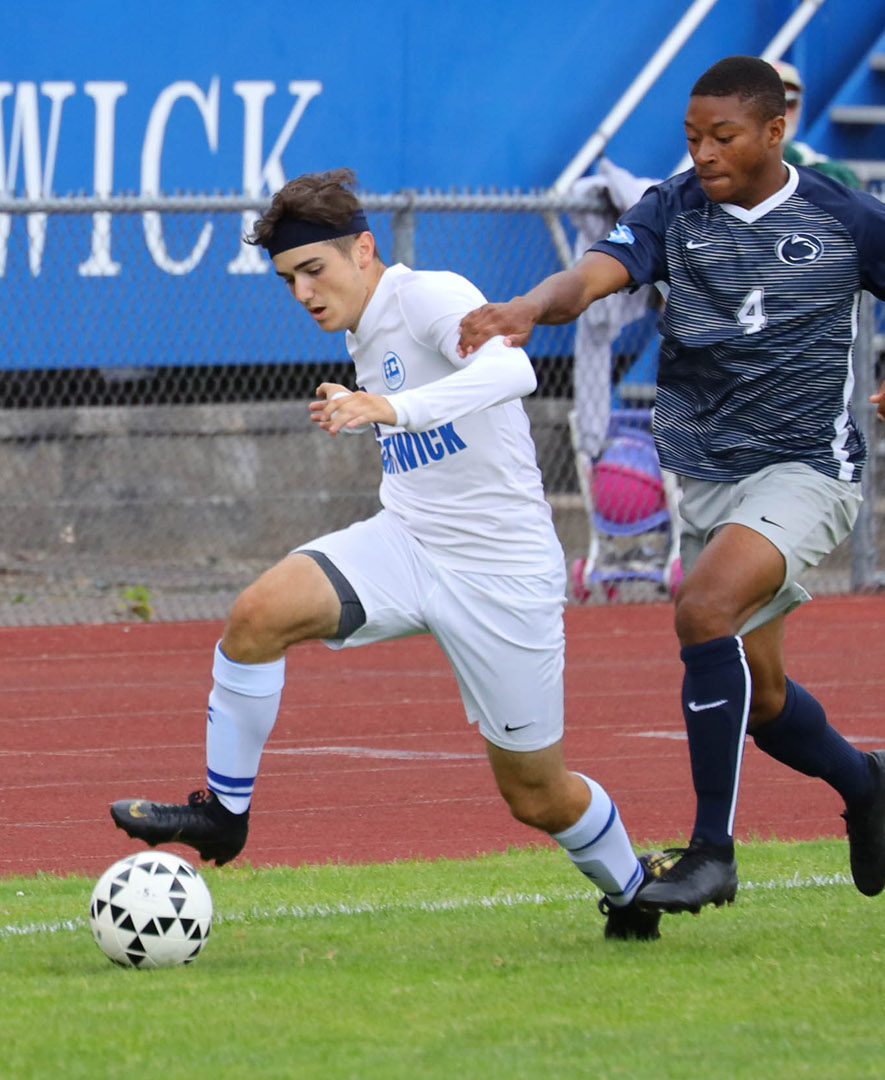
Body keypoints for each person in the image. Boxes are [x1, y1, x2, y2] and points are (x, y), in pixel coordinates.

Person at [458, 56, 885, 915]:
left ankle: (711, 854)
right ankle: (863, 782)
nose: (702, 152)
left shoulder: (846, 216)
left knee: (700, 609)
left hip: (811, 467)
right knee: (763, 697)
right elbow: (592, 275)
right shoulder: (672, 208)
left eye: (722, 136)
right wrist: (527, 306)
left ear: (775, 132)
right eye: (692, 136)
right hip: (708, 475)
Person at [111, 168, 662, 940]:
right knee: (256, 617)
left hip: (500, 571)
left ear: (364, 249)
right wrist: (368, 401)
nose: (301, 291)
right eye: (287, 279)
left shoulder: (427, 295)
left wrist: (386, 406)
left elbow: (514, 369)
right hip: (406, 540)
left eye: (314, 270)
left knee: (537, 796)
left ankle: (634, 890)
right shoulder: (359, 326)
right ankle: (223, 816)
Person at [772, 59, 862, 190]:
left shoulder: (825, 171)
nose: (782, 111)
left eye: (790, 101)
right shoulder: (734, 172)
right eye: (771, 102)